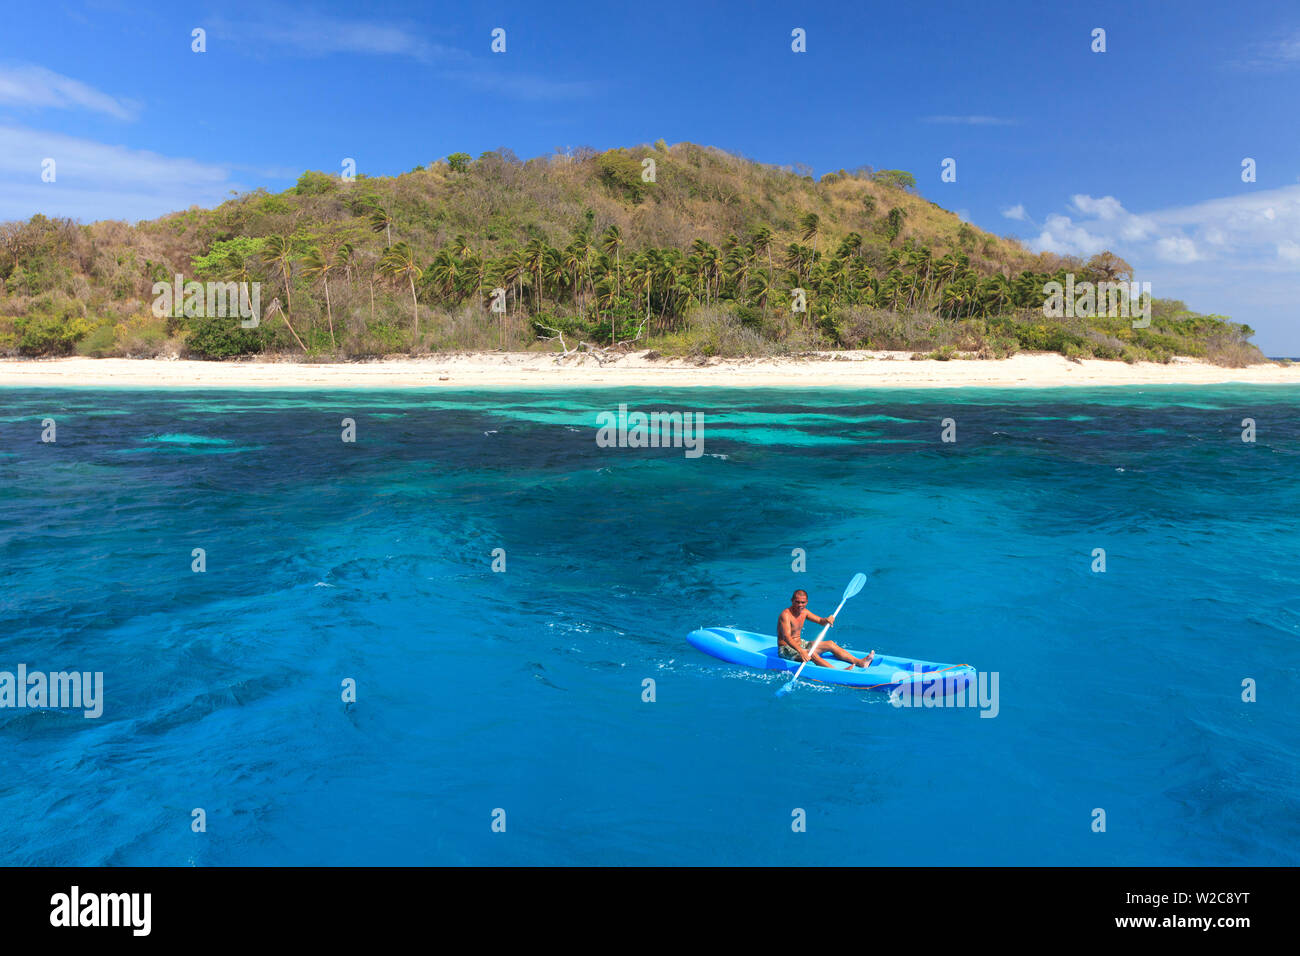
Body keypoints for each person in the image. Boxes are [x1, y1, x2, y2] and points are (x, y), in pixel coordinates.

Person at [777, 589, 873, 669]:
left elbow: (820, 621)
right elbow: (787, 637)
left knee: (830, 644)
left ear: (807, 602)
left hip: (800, 643)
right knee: (812, 653)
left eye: (803, 602)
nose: (800, 605)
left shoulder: (804, 612)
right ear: (792, 600)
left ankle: (860, 662)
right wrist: (801, 651)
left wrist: (827, 620)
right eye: (797, 602)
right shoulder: (786, 615)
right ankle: (837, 672)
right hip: (786, 649)